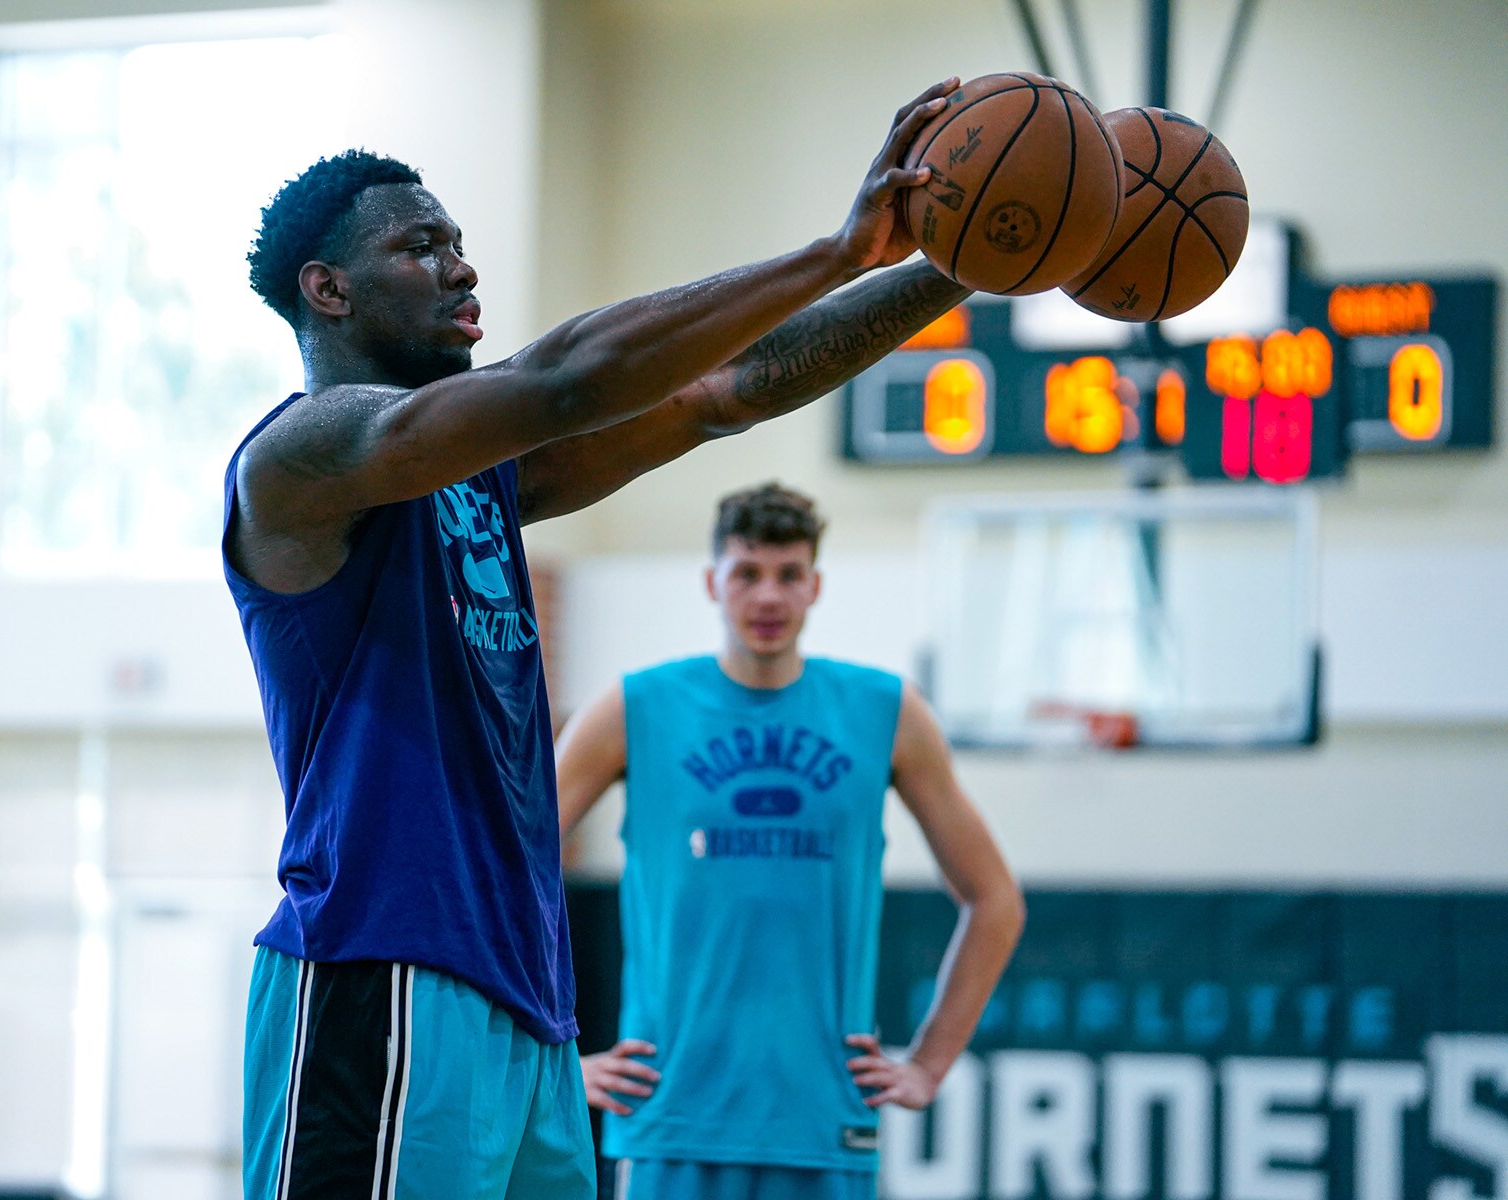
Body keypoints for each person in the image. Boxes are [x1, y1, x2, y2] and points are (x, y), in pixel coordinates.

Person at [225, 77, 977, 1200]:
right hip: (381, 966)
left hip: (525, 995)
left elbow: (728, 390)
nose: (461, 269)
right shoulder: (299, 458)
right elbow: (565, 381)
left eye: (461, 243)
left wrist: (966, 259)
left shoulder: (483, 474)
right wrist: (838, 252)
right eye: (420, 248)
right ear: (326, 289)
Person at [555, 483, 1024, 1200]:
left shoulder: (887, 711)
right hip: (671, 1116)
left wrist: (928, 1063)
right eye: (747, 573)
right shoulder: (634, 708)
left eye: (787, 574)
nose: (767, 596)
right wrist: (552, 1059)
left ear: (816, 586)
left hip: (823, 1123)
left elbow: (995, 901)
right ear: (714, 582)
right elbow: (498, 873)